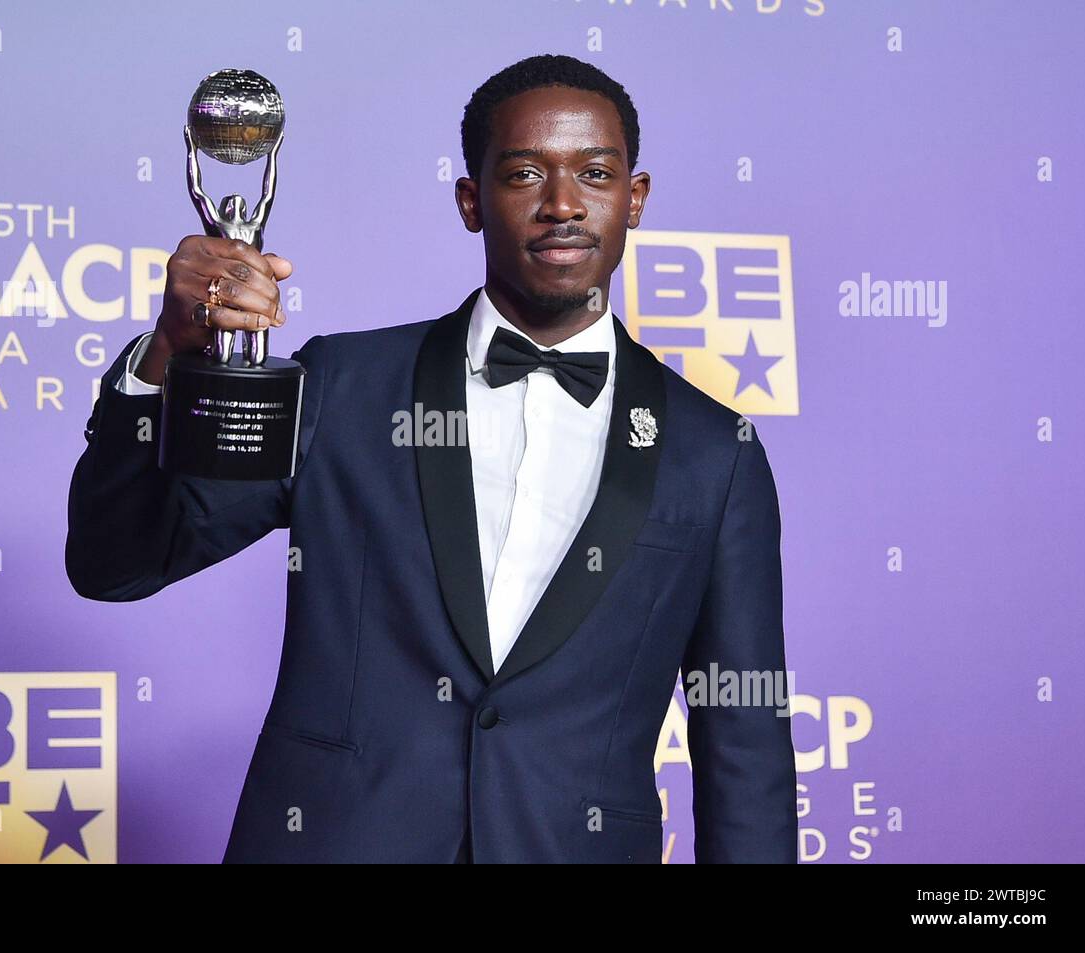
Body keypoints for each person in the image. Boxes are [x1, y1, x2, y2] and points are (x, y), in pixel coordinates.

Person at [66, 54, 797, 863]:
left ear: (636, 198)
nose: (563, 204)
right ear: (471, 201)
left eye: (594, 172)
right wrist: (169, 351)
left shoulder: (713, 452)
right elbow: (117, 561)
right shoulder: (339, 387)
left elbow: (744, 744)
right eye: (524, 173)